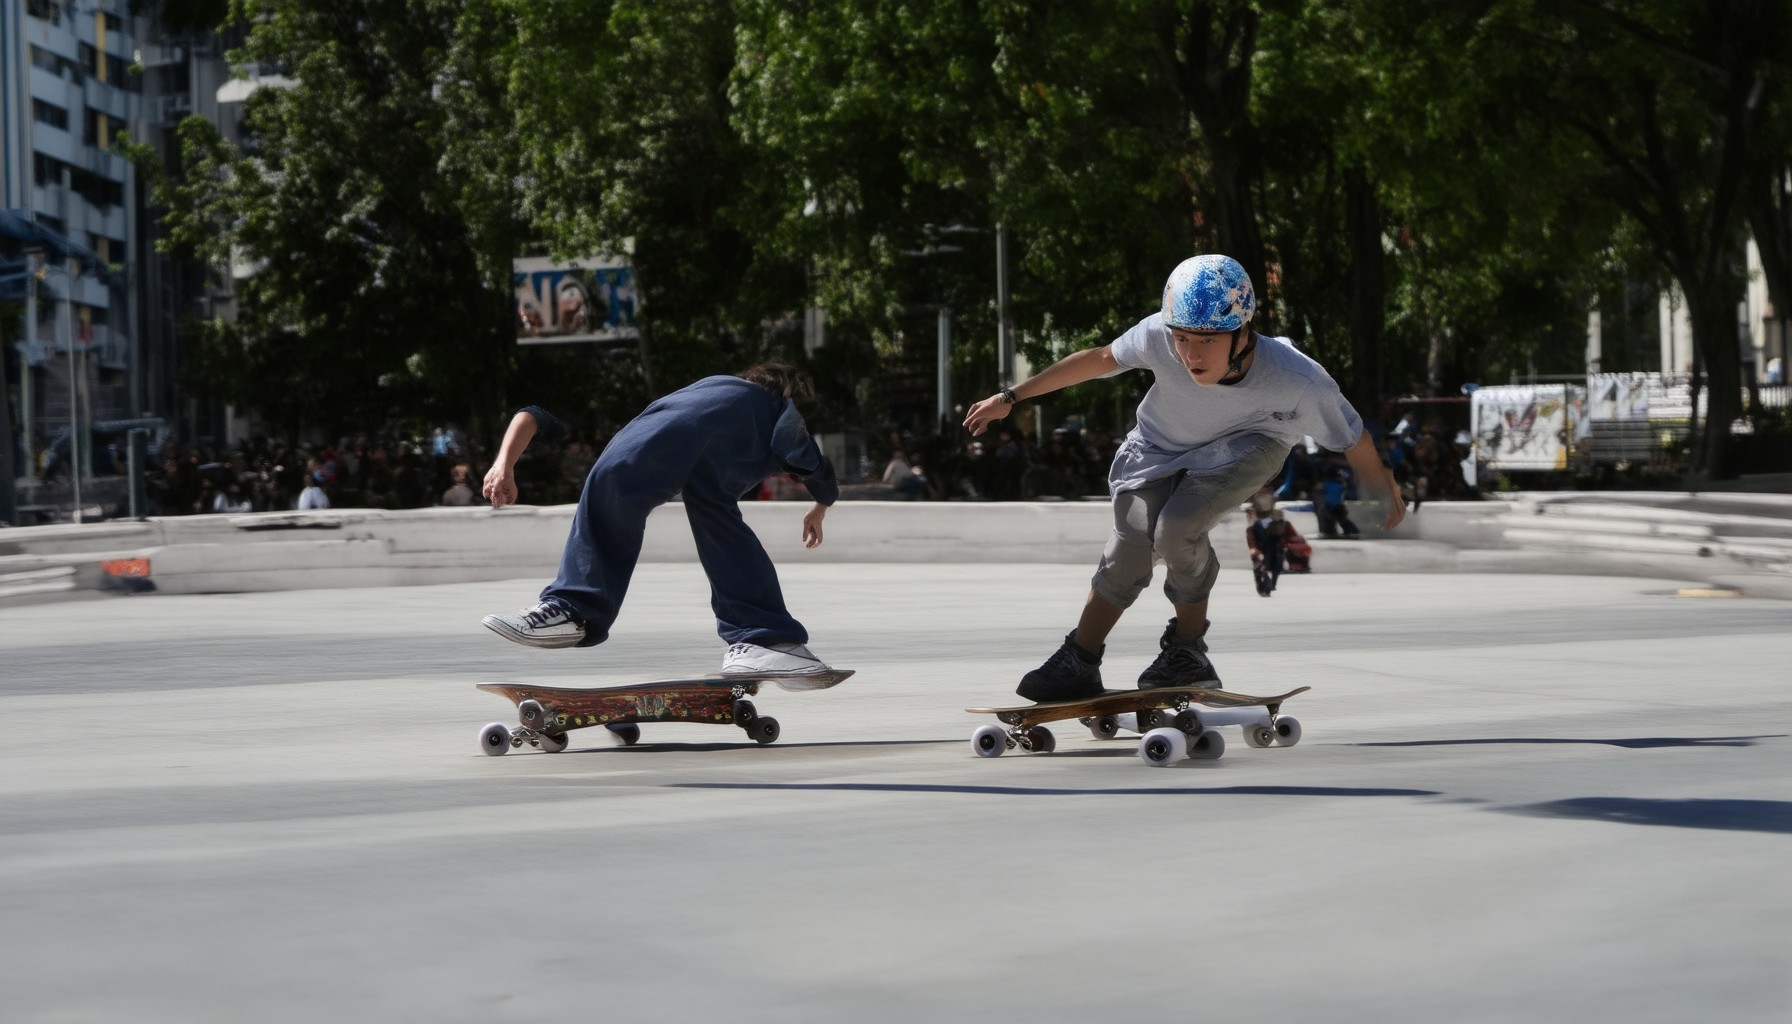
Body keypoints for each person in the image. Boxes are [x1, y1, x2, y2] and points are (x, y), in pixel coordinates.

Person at [963, 254, 1403, 702]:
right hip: (1160, 445)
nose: (1191, 354)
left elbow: (1354, 438)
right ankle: (1079, 658)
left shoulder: (1297, 378)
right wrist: (1010, 397)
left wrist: (1381, 487)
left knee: (1176, 529)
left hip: (1249, 445)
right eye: (1182, 339)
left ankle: (1187, 650)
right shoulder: (1157, 334)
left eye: (1207, 341)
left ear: (1242, 333)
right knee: (1131, 543)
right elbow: (1098, 359)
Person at [481, 362, 840, 677]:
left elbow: (530, 415)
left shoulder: (729, 396)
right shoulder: (749, 405)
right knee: (717, 513)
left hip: (677, 433)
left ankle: (574, 607)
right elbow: (802, 450)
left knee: (613, 481)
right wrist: (823, 498)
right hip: (698, 444)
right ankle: (766, 639)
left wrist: (504, 465)